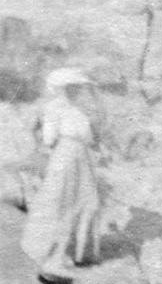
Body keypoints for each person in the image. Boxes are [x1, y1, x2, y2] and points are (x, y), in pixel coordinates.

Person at [20, 68, 101, 267]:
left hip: (81, 159)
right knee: (60, 202)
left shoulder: (79, 110)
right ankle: (54, 251)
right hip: (64, 158)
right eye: (71, 88)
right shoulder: (54, 108)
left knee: (87, 201)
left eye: (77, 88)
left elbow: (89, 138)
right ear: (62, 89)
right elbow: (49, 139)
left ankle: (78, 253)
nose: (75, 92)